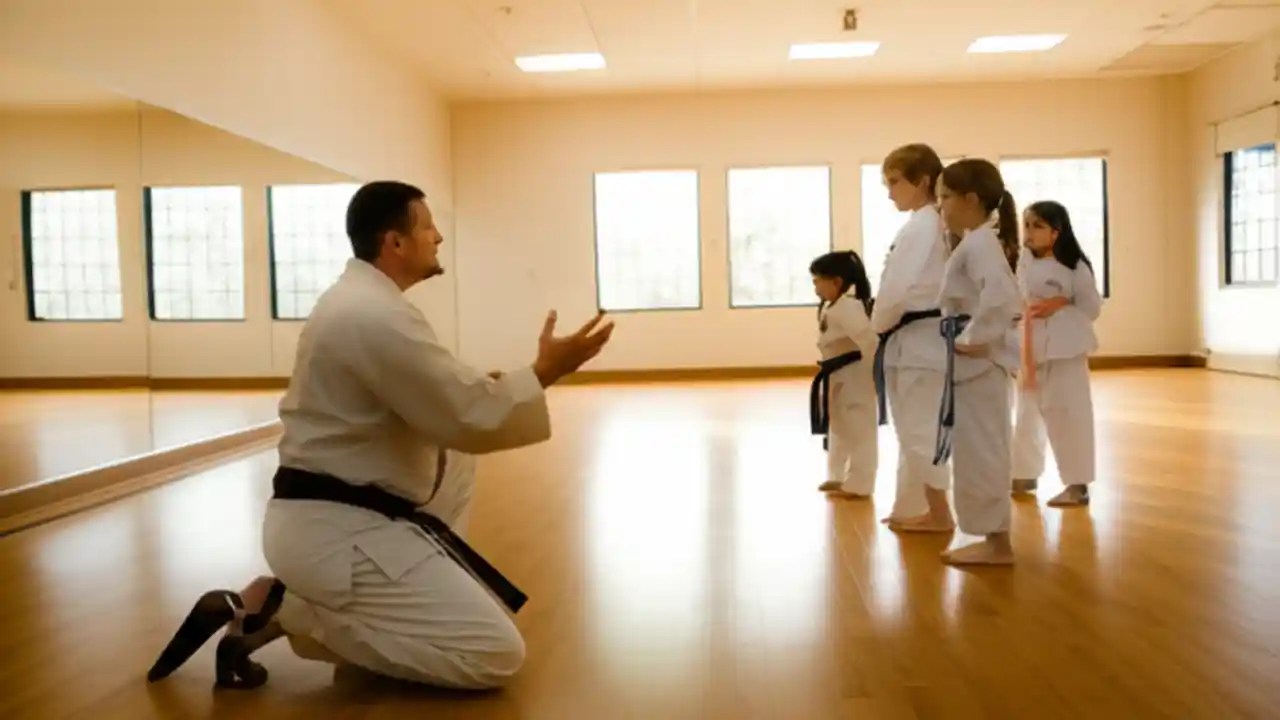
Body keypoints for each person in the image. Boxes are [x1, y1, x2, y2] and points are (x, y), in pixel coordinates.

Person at [146, 180, 615, 690]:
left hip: (344, 517)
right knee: (494, 654)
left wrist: (507, 382)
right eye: (428, 226)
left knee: (454, 460)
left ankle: (310, 596)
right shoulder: (372, 314)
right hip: (334, 532)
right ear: (395, 242)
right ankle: (288, 608)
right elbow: (463, 411)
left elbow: (447, 396)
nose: (438, 237)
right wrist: (545, 372)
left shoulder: (364, 304)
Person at [932, 159, 1022, 565]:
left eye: (945, 197)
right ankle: (991, 537)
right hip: (973, 365)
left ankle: (998, 544)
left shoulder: (980, 244)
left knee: (984, 450)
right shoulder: (975, 241)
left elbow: (1002, 298)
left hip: (981, 365)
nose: (941, 207)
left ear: (970, 199)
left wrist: (974, 339)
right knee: (976, 450)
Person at [869, 143, 955, 532]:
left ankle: (941, 515)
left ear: (922, 182)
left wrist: (877, 324)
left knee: (918, 430)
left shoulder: (923, 224)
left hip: (919, 340)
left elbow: (896, 289)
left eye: (894, 182)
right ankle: (911, 506)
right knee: (913, 427)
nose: (889, 192)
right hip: (921, 339)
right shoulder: (932, 222)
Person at [1010, 200, 1102, 508]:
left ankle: (1077, 484)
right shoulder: (1023, 260)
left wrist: (1060, 304)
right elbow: (1019, 296)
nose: (1030, 232)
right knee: (1026, 412)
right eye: (1026, 225)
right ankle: (1024, 473)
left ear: (1056, 232)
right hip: (1030, 345)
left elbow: (1091, 308)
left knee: (1069, 414)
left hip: (1065, 347)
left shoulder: (1076, 265)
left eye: (1038, 226)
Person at [810, 250, 878, 499]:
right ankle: (838, 475)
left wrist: (873, 377)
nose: (815, 286)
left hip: (855, 375)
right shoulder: (835, 306)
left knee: (859, 428)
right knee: (838, 425)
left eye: (818, 280)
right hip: (838, 375)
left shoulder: (850, 307)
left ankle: (860, 483)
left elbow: (869, 341)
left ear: (836, 281)